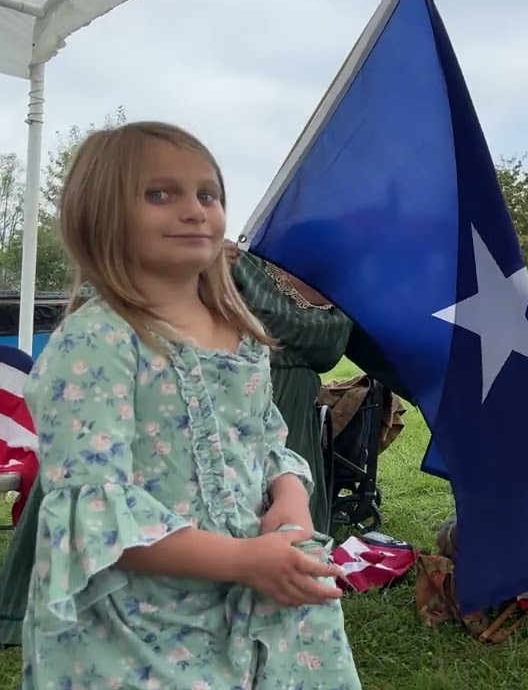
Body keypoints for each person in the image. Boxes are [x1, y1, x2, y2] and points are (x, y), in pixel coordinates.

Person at [17, 121, 361, 688]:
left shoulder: (241, 331)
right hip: (142, 620)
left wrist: (292, 499)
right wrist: (243, 561)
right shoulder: (98, 340)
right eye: (161, 194)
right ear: (100, 214)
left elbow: (266, 440)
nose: (194, 209)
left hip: (258, 586)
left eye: (208, 194)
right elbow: (94, 511)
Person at [225, 241, 354, 533]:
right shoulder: (237, 259)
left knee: (294, 517)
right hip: (237, 409)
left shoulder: (346, 280)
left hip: (294, 425)